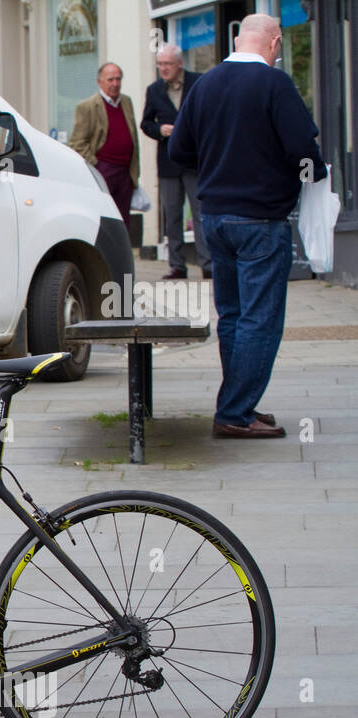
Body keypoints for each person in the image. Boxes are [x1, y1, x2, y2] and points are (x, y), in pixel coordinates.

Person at [168, 13, 325, 439]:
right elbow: (302, 150)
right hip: (260, 219)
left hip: (214, 217)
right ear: (274, 42)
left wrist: (220, 163)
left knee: (234, 316)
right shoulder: (275, 84)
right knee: (261, 318)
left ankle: (240, 404)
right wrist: (314, 179)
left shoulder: (206, 84)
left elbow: (178, 149)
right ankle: (235, 413)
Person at [140, 44, 209, 279]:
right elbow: (146, 124)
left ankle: (207, 263)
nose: (163, 69)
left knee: (200, 212)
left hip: (194, 160)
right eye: (160, 64)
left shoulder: (198, 83)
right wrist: (161, 129)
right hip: (168, 163)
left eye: (167, 64)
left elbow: (209, 116)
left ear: (179, 63)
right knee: (172, 215)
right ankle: (177, 265)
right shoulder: (154, 90)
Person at [69, 62, 140, 223]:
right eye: (110, 80)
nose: (115, 84)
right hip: (104, 170)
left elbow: (133, 136)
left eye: (118, 79)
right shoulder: (88, 107)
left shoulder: (126, 102)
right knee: (104, 217)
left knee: (123, 220)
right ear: (100, 82)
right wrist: (97, 165)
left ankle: (122, 249)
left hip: (125, 173)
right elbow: (77, 143)